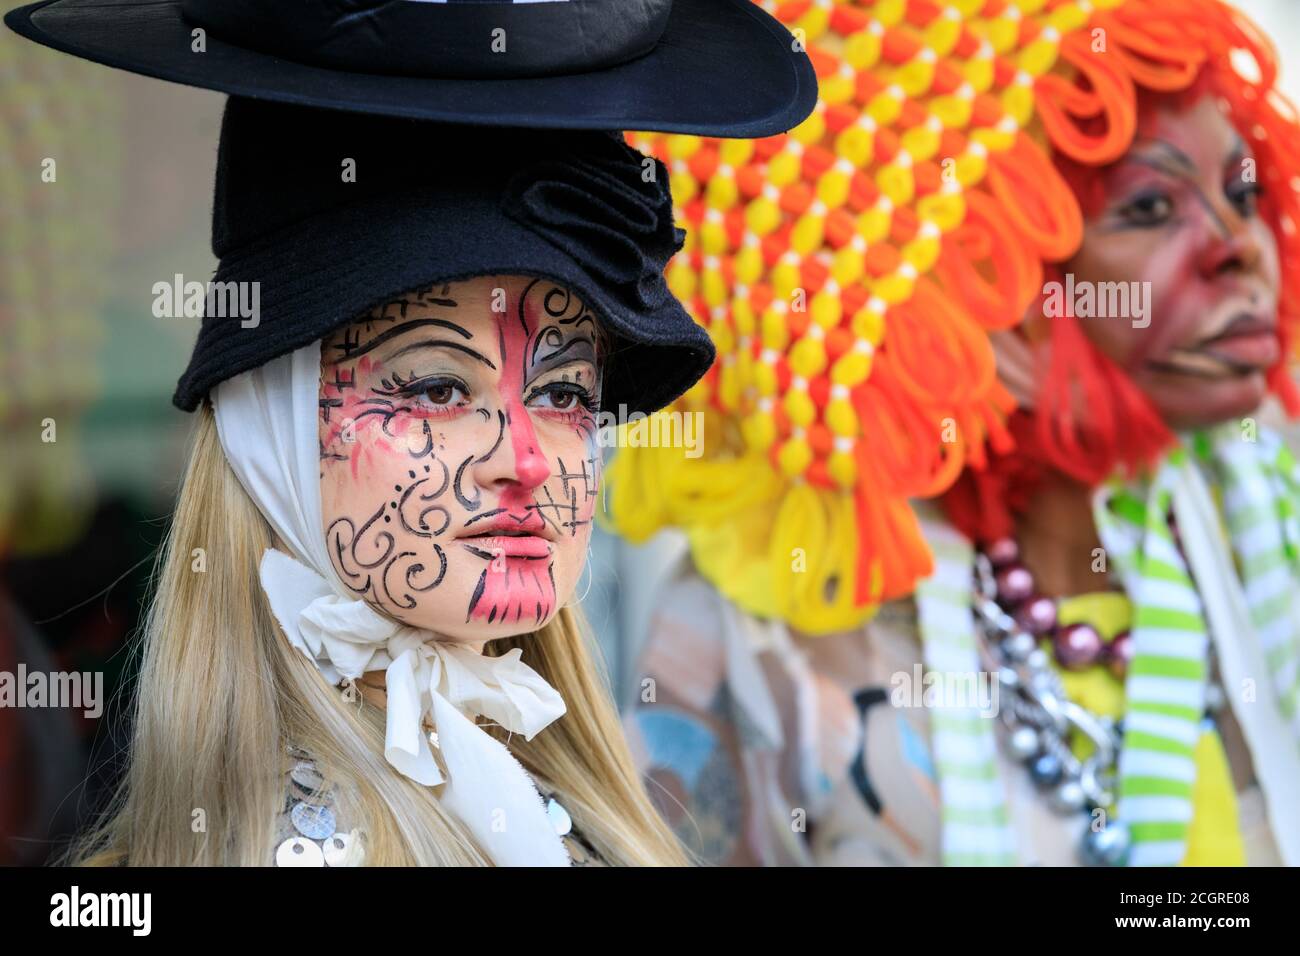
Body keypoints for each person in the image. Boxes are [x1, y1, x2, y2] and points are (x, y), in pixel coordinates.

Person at [3, 0, 818, 864]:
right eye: (434, 388)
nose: (528, 460)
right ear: (268, 436)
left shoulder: (574, 806)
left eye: (566, 392)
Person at [610, 0, 1300, 866]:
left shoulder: (1268, 525)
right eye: (1151, 206)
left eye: (1243, 192)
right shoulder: (760, 633)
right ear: (954, 285)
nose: (1242, 245)